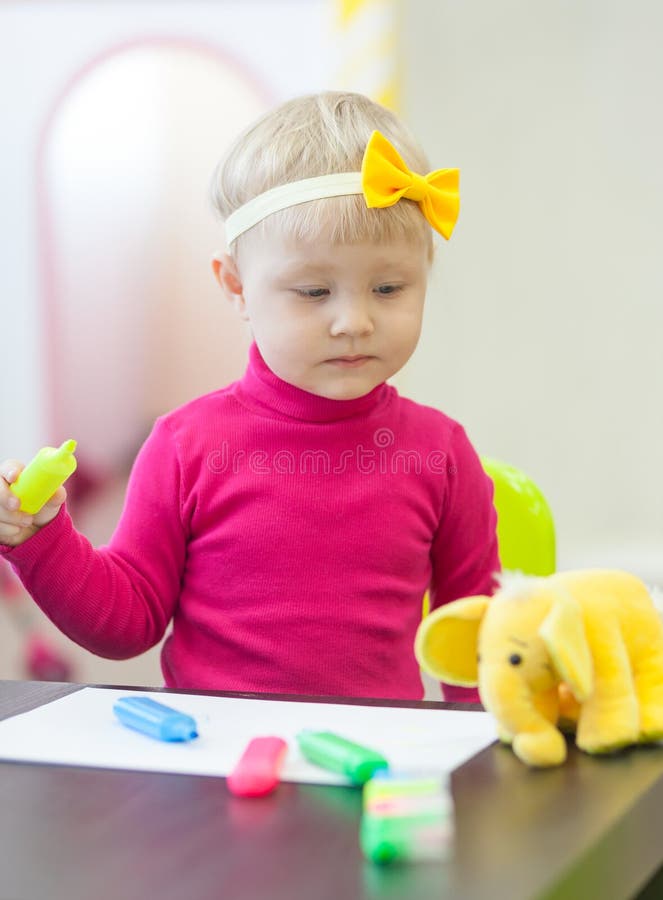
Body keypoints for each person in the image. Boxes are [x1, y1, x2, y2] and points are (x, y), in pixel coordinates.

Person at [0, 92, 498, 701]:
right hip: (216, 760)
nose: (354, 322)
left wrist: (484, 763)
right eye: (314, 292)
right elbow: (126, 624)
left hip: (377, 765)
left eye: (389, 287)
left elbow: (474, 641)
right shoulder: (185, 446)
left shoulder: (440, 453)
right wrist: (41, 539)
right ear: (236, 286)